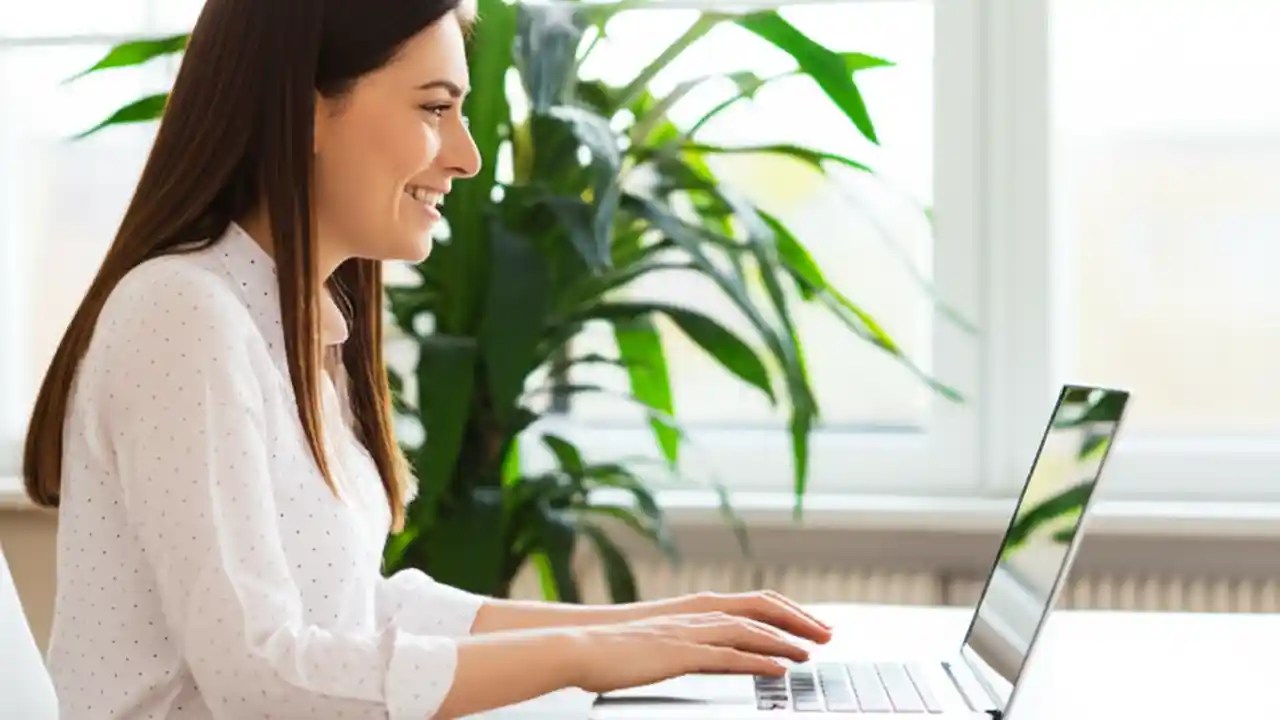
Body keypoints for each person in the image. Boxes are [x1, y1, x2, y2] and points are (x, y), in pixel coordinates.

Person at [20, 1, 831, 718]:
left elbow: (354, 615)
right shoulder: (183, 312)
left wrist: (644, 627)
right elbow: (259, 677)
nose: (468, 156)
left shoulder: (295, 319)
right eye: (435, 108)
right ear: (303, 110)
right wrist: (587, 657)